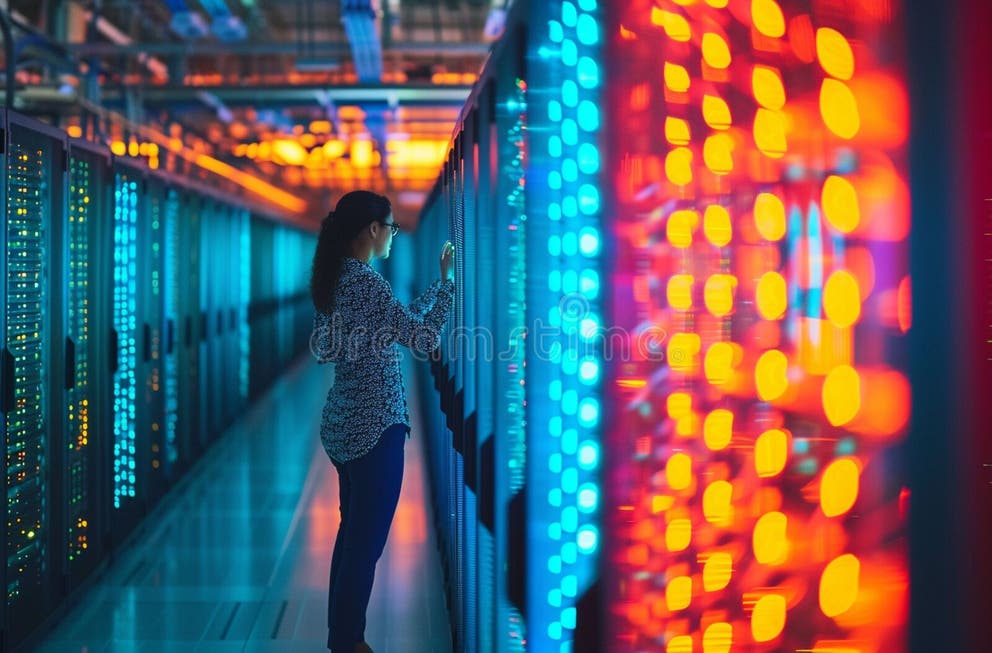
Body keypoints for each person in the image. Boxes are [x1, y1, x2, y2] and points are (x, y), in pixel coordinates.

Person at [309, 190, 455, 653]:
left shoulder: (338, 279)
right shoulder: (366, 283)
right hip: (375, 431)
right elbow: (422, 336)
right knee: (364, 546)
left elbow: (394, 323)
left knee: (351, 536)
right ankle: (349, 642)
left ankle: (342, 637)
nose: (393, 236)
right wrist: (449, 287)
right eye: (390, 228)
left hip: (345, 426)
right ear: (372, 229)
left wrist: (437, 282)